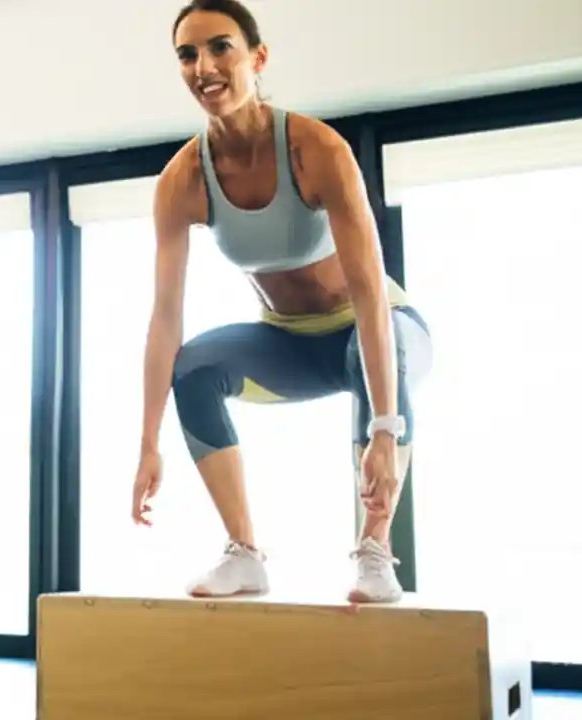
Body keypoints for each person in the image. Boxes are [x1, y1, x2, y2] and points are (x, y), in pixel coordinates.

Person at [132, 0, 433, 604]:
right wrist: (147, 442)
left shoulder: (315, 148)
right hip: (290, 341)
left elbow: (371, 291)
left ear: (257, 57)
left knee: (370, 357)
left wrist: (384, 427)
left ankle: (375, 550)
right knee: (193, 367)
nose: (203, 66)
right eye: (187, 54)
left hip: (380, 330)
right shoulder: (183, 180)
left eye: (221, 47)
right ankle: (244, 554)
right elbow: (165, 317)